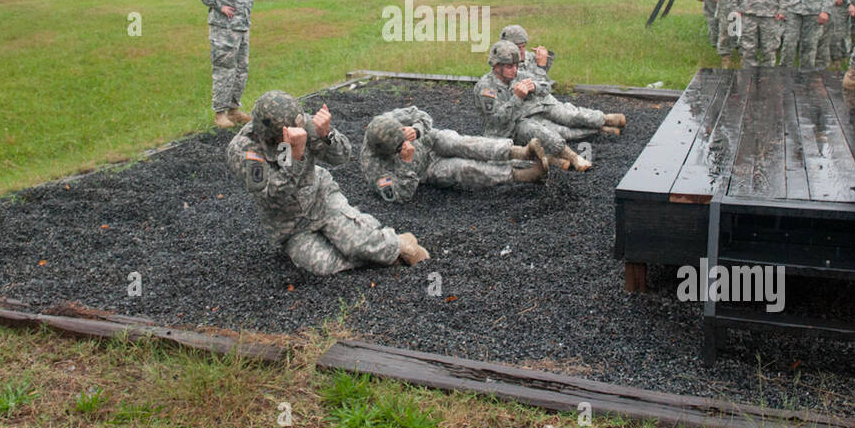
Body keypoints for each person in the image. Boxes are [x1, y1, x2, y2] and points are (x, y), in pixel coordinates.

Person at [226, 90, 429, 274]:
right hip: (289, 223)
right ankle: (381, 253)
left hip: (321, 198)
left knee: (356, 243)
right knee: (321, 265)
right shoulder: (244, 151)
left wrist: (327, 135)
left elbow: (342, 156)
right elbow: (272, 197)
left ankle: (398, 244)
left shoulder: (300, 123)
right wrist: (294, 158)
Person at [360, 107, 549, 203]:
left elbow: (421, 115)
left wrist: (417, 130)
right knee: (463, 168)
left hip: (431, 141)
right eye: (399, 146)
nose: (406, 144)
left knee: (461, 143)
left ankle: (522, 152)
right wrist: (407, 162)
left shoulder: (387, 120)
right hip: (425, 170)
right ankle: (528, 175)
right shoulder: (374, 168)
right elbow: (401, 195)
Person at [475, 41, 593, 171]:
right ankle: (550, 160)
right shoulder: (486, 88)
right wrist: (517, 98)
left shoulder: (518, 75)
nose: (514, 70)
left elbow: (546, 86)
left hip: (518, 125)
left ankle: (573, 157)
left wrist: (535, 87)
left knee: (543, 132)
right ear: (497, 66)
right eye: (509, 66)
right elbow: (497, 121)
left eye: (516, 65)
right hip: (498, 136)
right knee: (512, 165)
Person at [497, 24, 625, 136]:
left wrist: (544, 61)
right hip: (527, 112)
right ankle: (600, 130)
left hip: (545, 102)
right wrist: (541, 67)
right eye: (517, 48)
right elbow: (527, 86)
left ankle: (605, 119)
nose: (522, 51)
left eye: (523, 46)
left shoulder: (529, 58)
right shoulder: (501, 67)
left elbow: (544, 88)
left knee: (572, 116)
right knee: (560, 132)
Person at [195, 0, 256, 128]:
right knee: (224, 69)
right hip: (224, 27)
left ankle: (234, 110)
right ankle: (220, 114)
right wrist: (218, 5)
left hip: (242, 25)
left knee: (241, 69)